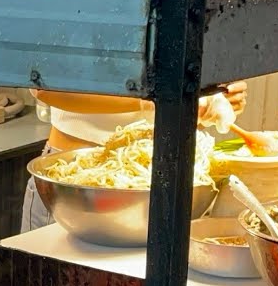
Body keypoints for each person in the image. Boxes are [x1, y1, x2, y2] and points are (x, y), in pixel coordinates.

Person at [21, 84, 249, 234]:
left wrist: (219, 94)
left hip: (163, 185)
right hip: (75, 189)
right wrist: (151, 100)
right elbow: (44, 86)